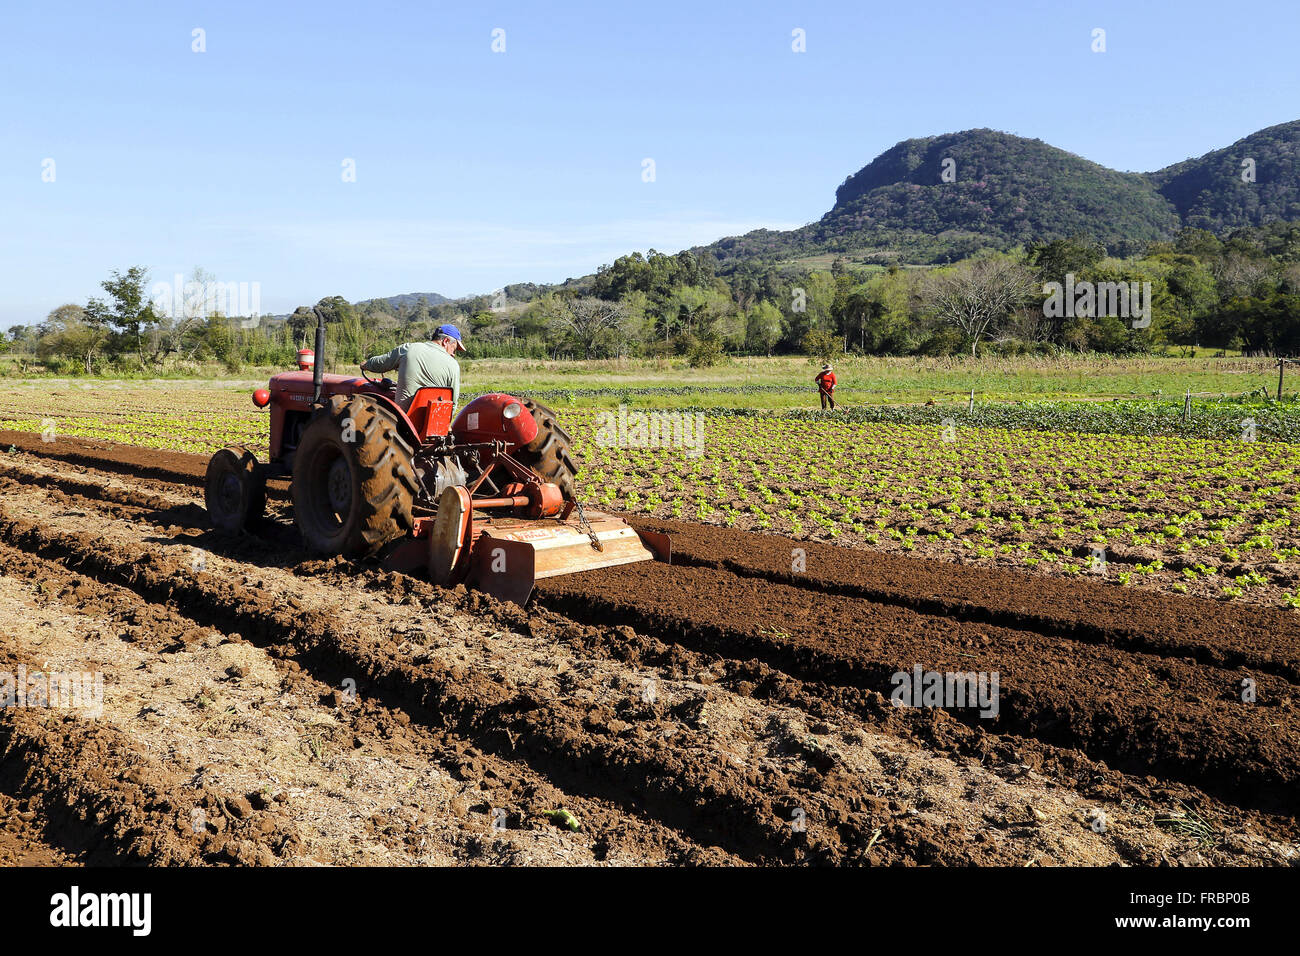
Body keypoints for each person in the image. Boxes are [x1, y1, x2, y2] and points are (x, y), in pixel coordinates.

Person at [361, 324, 466, 412]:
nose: (453, 354)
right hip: (433, 426)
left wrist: (366, 365)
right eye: (454, 349)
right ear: (446, 341)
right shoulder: (454, 365)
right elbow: (453, 404)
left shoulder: (409, 348)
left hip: (403, 421)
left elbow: (381, 363)